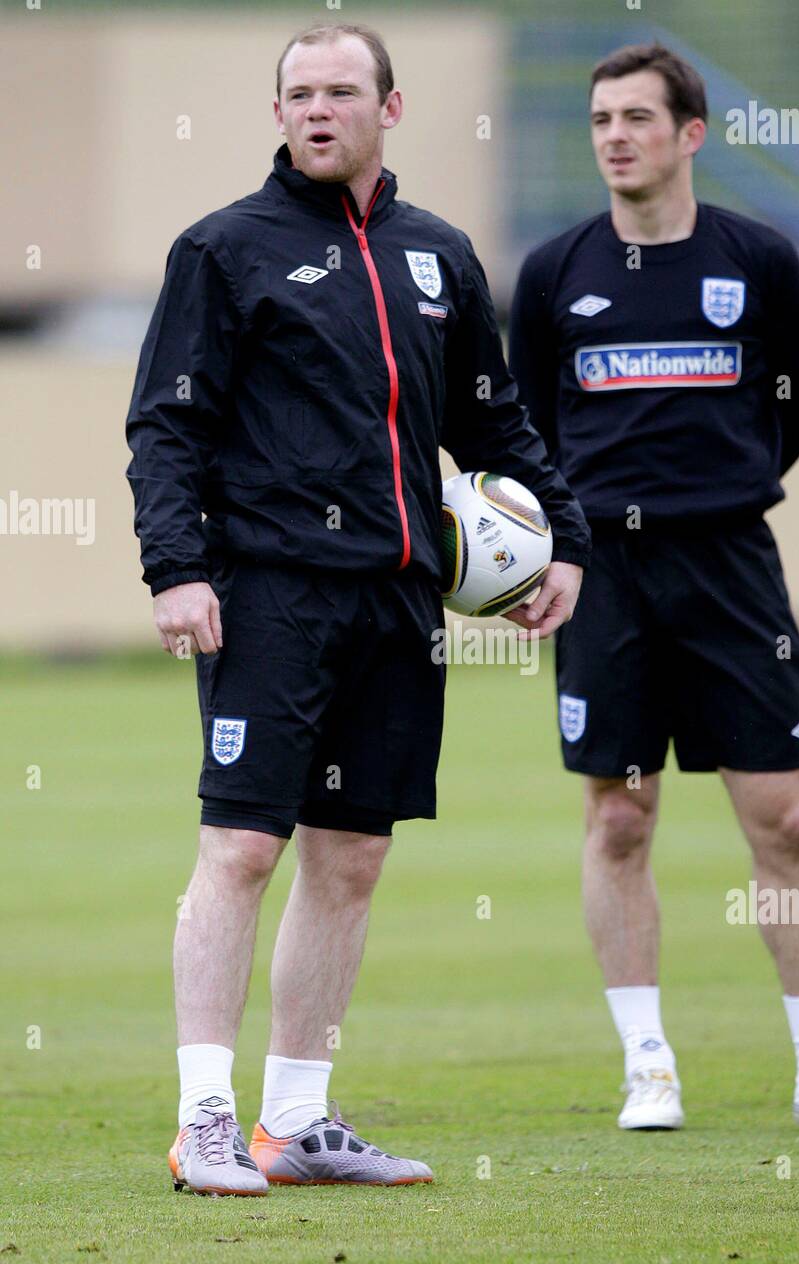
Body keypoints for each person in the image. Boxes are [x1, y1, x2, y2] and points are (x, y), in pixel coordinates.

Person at [126, 22, 589, 1197]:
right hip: (266, 595)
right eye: (297, 93)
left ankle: (297, 1118)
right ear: (276, 114)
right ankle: (205, 1121)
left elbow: (494, 427)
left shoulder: (439, 257)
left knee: (351, 859)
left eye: (341, 90)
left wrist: (562, 544)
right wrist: (174, 567)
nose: (317, 109)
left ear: (393, 105)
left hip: (398, 601)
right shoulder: (222, 251)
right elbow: (166, 424)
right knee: (239, 848)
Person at [509, 42, 799, 1137]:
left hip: (731, 567)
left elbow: (797, 410)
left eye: (637, 117)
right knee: (620, 817)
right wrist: (568, 538)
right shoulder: (553, 273)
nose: (613, 136)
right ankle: (647, 1064)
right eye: (599, 119)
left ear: (689, 134)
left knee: (782, 815)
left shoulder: (762, 261)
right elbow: (529, 436)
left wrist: (714, 491)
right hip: (605, 577)